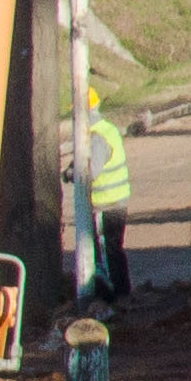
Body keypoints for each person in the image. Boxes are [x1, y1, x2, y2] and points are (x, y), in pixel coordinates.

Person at [80, 92, 132, 305]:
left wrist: (72, 173)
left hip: (106, 204)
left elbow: (91, 171)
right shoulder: (107, 129)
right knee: (113, 249)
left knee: (106, 250)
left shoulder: (96, 136)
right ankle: (121, 291)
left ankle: (115, 295)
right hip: (116, 201)